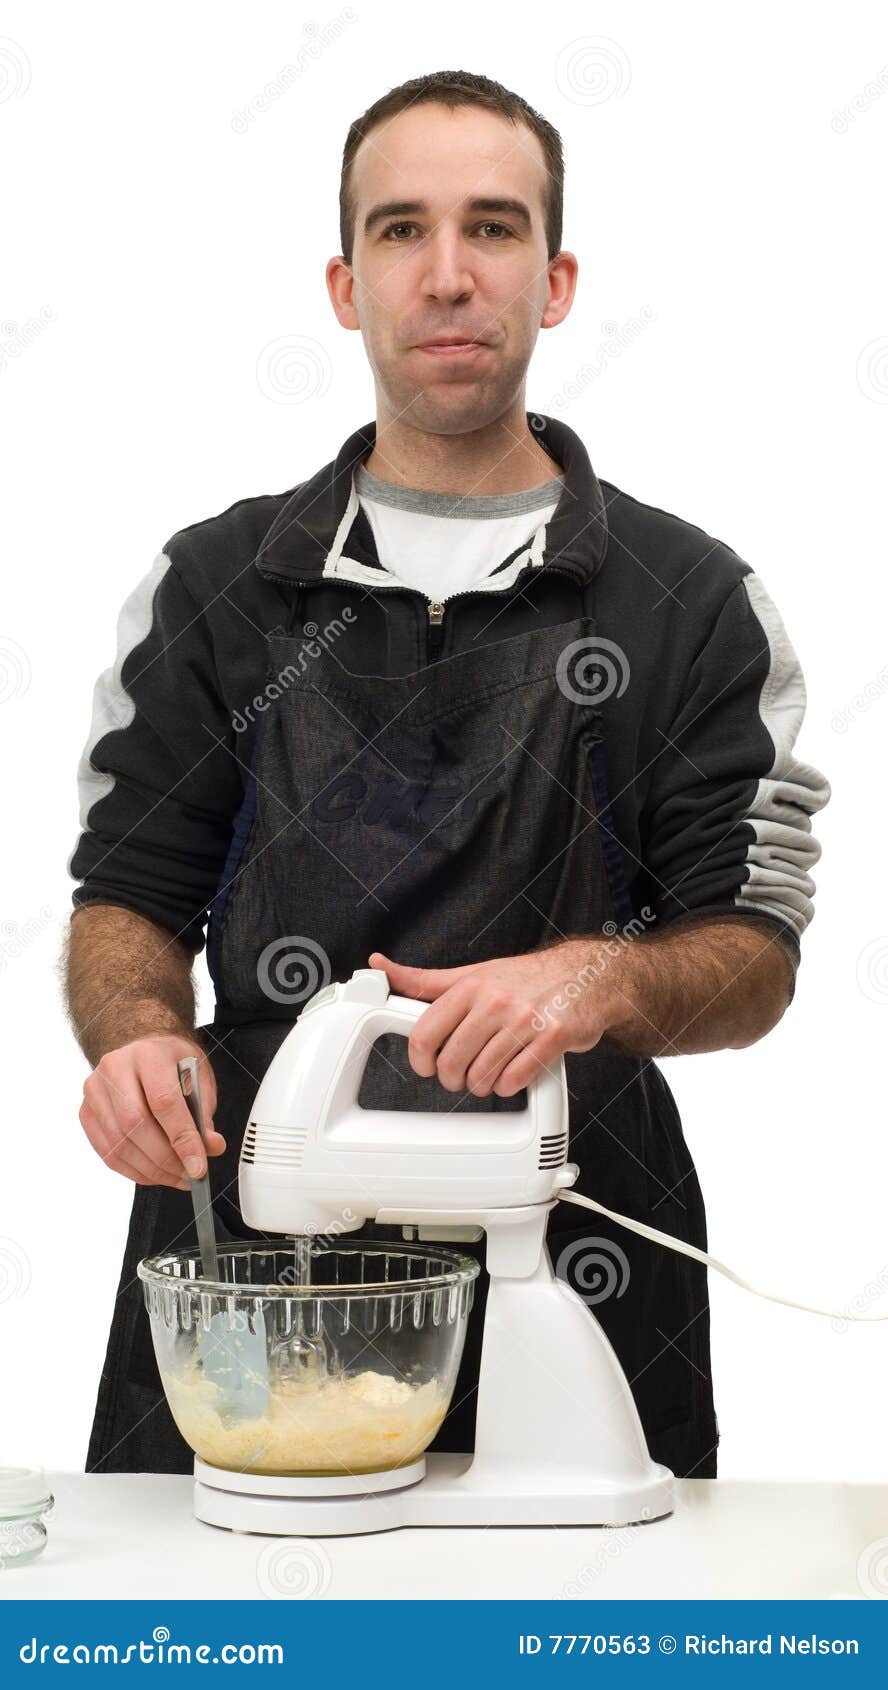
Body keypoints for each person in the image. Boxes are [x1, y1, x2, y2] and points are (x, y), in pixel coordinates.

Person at [63, 69, 830, 1479]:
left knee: (585, 1621)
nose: (450, 274)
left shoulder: (688, 600)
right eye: (405, 231)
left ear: (556, 278)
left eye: (493, 227)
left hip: (588, 1222)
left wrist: (598, 978)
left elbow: (755, 950)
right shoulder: (219, 590)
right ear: (349, 285)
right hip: (249, 1223)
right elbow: (127, 900)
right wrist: (128, 1037)